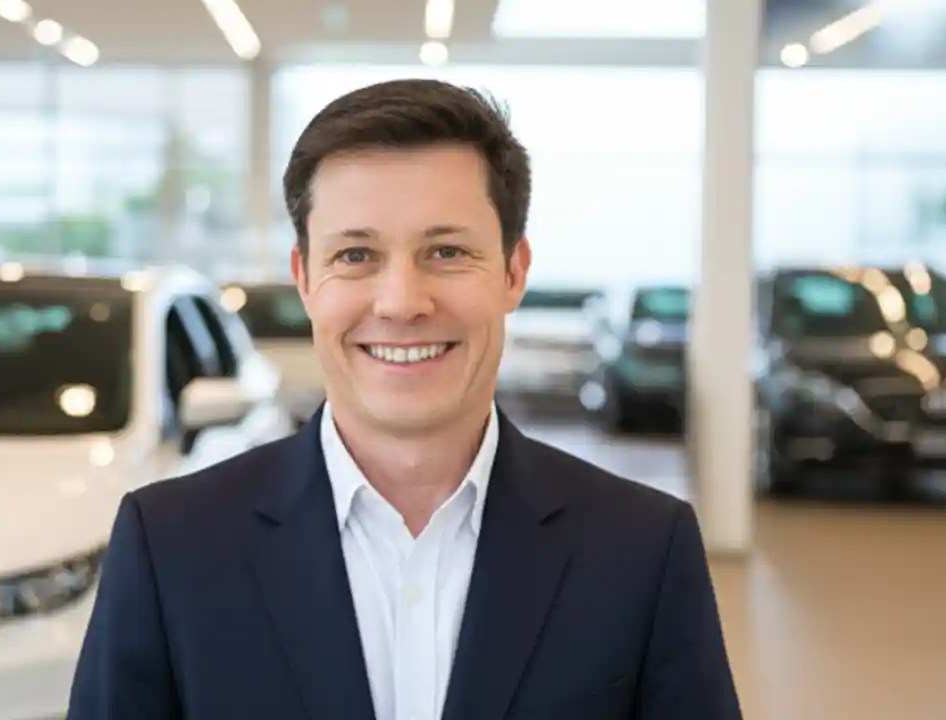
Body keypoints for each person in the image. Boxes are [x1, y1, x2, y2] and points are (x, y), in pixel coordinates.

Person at [67, 78, 742, 720]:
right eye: (356, 256)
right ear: (305, 277)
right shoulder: (173, 546)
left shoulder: (642, 550)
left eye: (446, 252)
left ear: (514, 271)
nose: (402, 303)